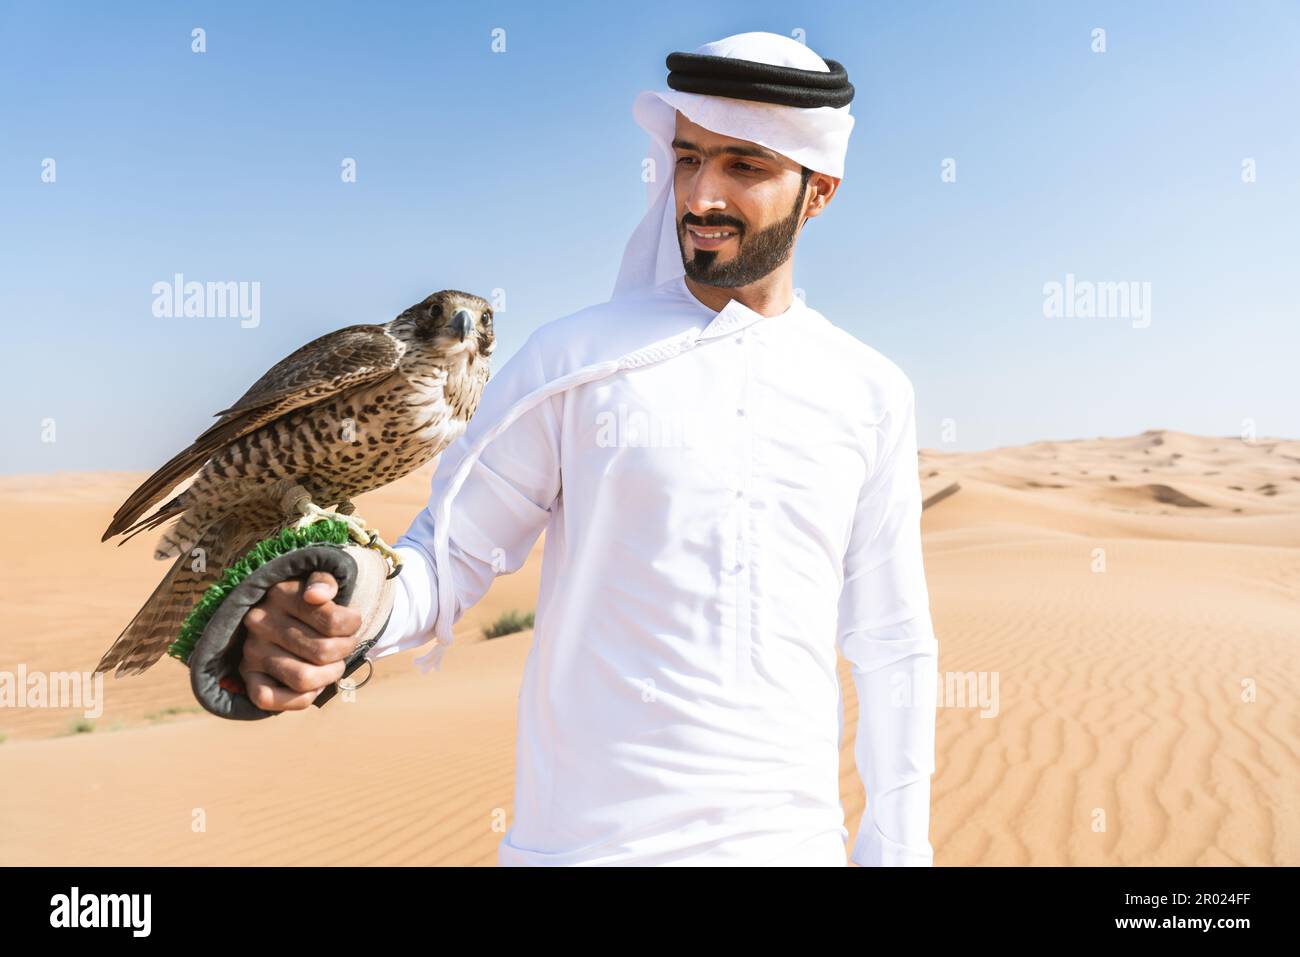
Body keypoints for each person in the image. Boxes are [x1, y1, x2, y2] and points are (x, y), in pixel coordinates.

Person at [237, 30, 940, 867]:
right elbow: (447, 557)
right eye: (688, 160)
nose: (702, 194)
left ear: (817, 190)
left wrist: (898, 854)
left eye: (743, 166)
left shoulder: (869, 391)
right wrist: (352, 614)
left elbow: (893, 641)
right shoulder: (573, 360)